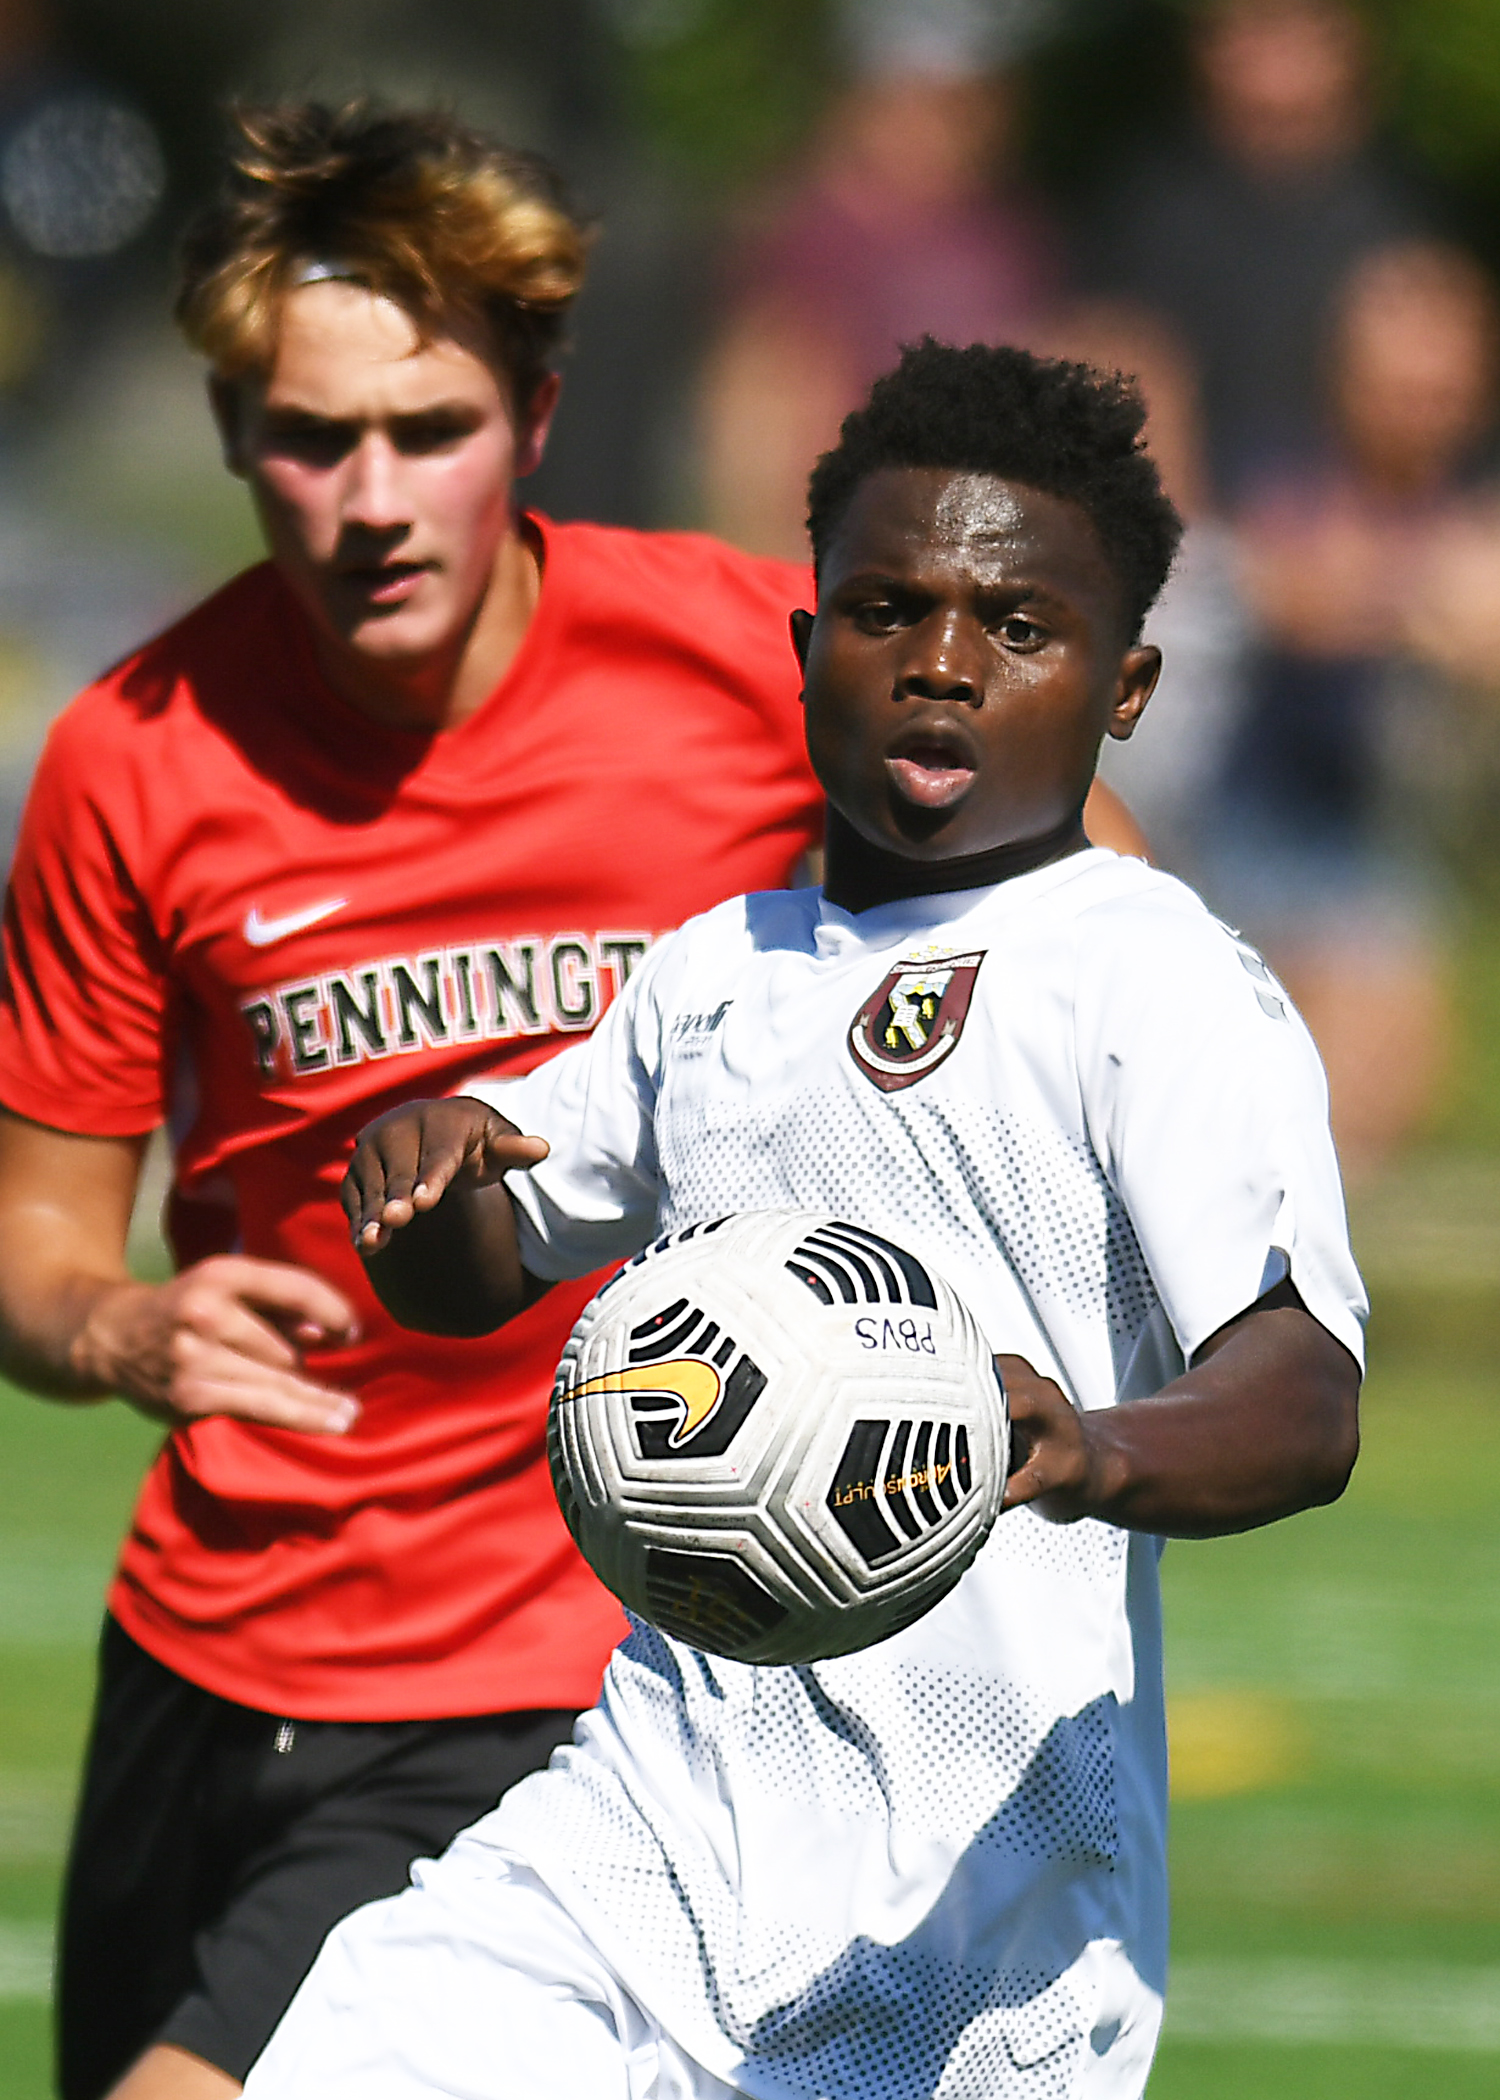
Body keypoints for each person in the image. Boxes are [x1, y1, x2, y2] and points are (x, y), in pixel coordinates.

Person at [253, 342, 1366, 2100]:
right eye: (886, 609)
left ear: (1128, 686)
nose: (940, 663)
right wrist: (427, 1174)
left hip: (974, 1921)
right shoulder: (719, 974)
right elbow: (484, 1264)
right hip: (642, 1839)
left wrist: (1086, 1450)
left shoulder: (1155, 982)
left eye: (1018, 626)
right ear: (805, 646)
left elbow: (1303, 1395)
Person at [0, 100, 836, 2100]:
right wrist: (119, 1321)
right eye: (309, 437)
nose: (371, 498)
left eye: (430, 431)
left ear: (535, 421)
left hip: (563, 1671)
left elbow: (1092, 943)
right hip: (216, 1652)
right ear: (229, 437)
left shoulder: (746, 665)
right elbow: (34, 1243)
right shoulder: (135, 757)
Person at [1210, 239, 1500, 1174]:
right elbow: (1298, 584)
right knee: (1356, 1029)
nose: (1425, 411)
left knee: (1382, 1044)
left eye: (1444, 388)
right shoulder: (1284, 477)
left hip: (1403, 857)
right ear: (1346, 383)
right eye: (1402, 386)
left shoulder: (1472, 512)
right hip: (1266, 838)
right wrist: (1424, 598)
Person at [1087, 0, 1431, 505]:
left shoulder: (1402, 215)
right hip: (1191, 525)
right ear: (1209, 49)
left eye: (1303, 28)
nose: (1278, 57)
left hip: (1369, 525)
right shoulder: (1149, 211)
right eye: (1256, 28)